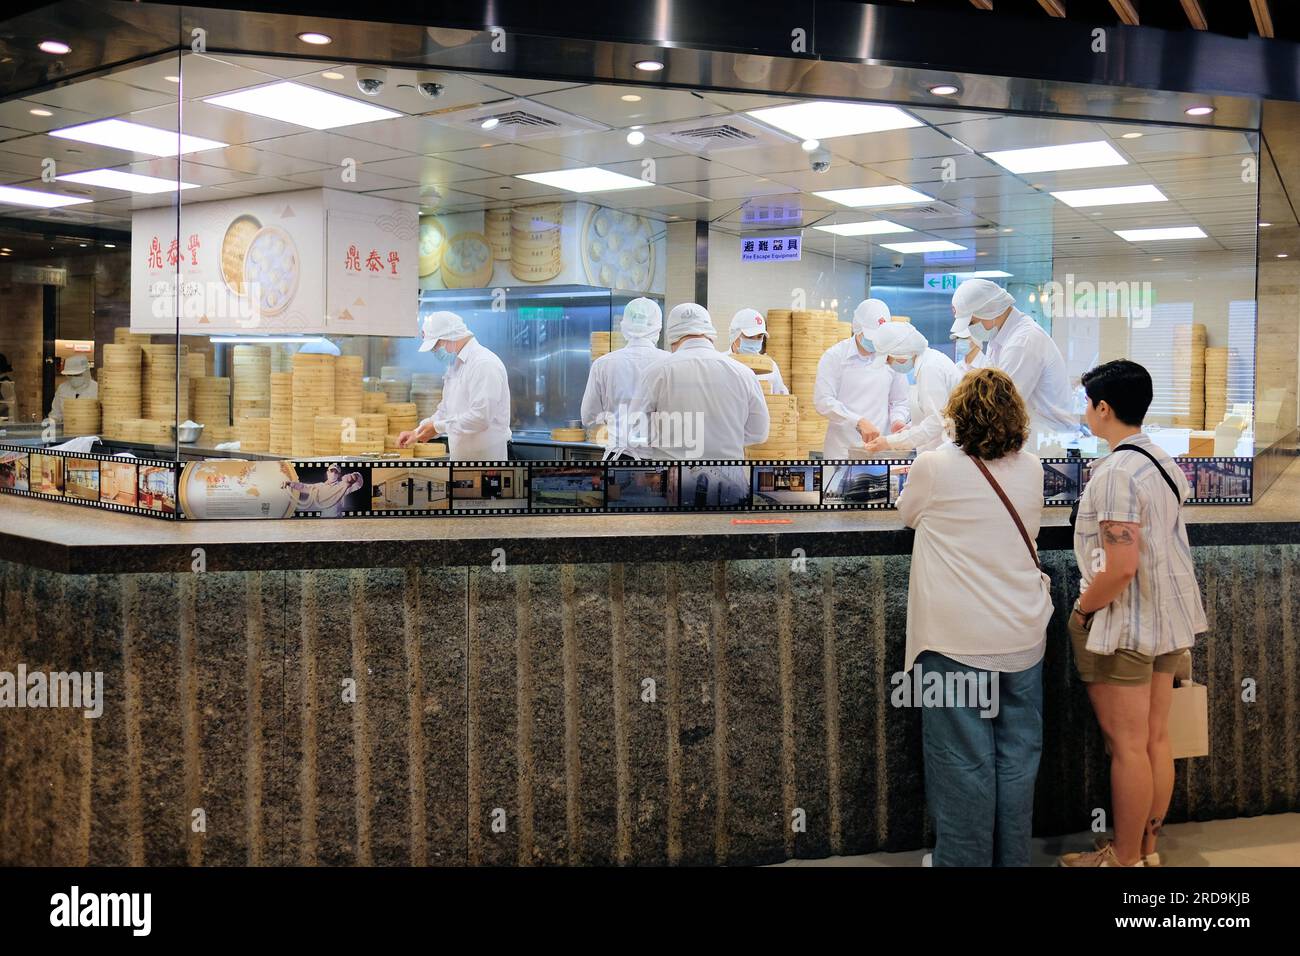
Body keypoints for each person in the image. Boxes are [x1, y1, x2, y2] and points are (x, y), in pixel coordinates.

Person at [896, 367, 1052, 866]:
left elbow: (907, 513)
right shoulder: (1032, 468)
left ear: (956, 415)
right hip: (1024, 634)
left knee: (962, 761)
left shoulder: (933, 466)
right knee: (1017, 757)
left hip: (955, 643)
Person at [1058, 360, 1207, 868]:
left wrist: (1082, 610)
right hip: (1169, 620)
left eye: (1088, 404)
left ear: (1103, 408)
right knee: (1154, 739)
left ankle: (1121, 860)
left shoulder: (1117, 471)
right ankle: (1146, 851)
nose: (1086, 413)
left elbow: (1120, 567)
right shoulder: (1160, 459)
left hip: (1125, 623)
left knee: (1127, 747)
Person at [629, 302, 768, 459]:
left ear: (672, 337)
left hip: (674, 477)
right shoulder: (744, 373)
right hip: (729, 477)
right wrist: (725, 440)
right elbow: (759, 432)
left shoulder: (655, 373)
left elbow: (636, 433)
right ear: (709, 333)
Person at [948, 278, 1074, 448]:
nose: (970, 329)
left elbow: (998, 405)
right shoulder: (998, 339)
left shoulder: (1022, 341)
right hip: (1027, 442)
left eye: (972, 322)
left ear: (990, 311)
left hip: (1044, 445)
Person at [398, 310, 511, 460]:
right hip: (461, 460)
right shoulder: (455, 366)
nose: (435, 351)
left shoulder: (484, 364)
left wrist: (437, 427)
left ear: (450, 337)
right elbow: (446, 410)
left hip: (487, 463)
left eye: (436, 345)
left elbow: (480, 417)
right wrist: (417, 432)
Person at [814, 299, 909, 457]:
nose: (876, 342)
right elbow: (823, 401)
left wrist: (897, 420)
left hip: (880, 450)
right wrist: (858, 421)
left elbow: (899, 400)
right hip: (841, 451)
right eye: (871, 337)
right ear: (857, 328)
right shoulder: (835, 356)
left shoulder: (891, 357)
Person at [580, 297, 666, 459]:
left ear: (624, 327)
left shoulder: (603, 364)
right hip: (658, 458)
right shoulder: (669, 362)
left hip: (619, 456)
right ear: (658, 329)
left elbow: (588, 416)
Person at [864, 321, 961, 454]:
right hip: (941, 451)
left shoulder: (930, 368)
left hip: (946, 452)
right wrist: (909, 429)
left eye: (888, 359)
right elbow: (936, 414)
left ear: (901, 356)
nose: (888, 364)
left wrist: (890, 442)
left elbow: (936, 422)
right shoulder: (928, 362)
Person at [728, 308, 789, 395]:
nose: (755, 341)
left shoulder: (770, 366)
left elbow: (782, 399)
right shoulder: (722, 363)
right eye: (750, 337)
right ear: (734, 335)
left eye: (759, 337)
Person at [282, 464, 364, 517]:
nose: (333, 473)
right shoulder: (320, 487)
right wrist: (290, 483)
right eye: (332, 471)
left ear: (339, 475)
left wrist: (355, 476)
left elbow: (358, 485)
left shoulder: (343, 485)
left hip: (338, 519)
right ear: (327, 472)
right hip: (324, 519)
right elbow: (304, 487)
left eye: (336, 472)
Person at [48, 355, 98, 423]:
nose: (73, 378)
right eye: (70, 375)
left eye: (77, 375)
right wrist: (51, 422)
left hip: (91, 431)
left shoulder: (97, 389)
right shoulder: (62, 388)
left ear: (86, 372)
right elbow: (56, 413)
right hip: (67, 430)